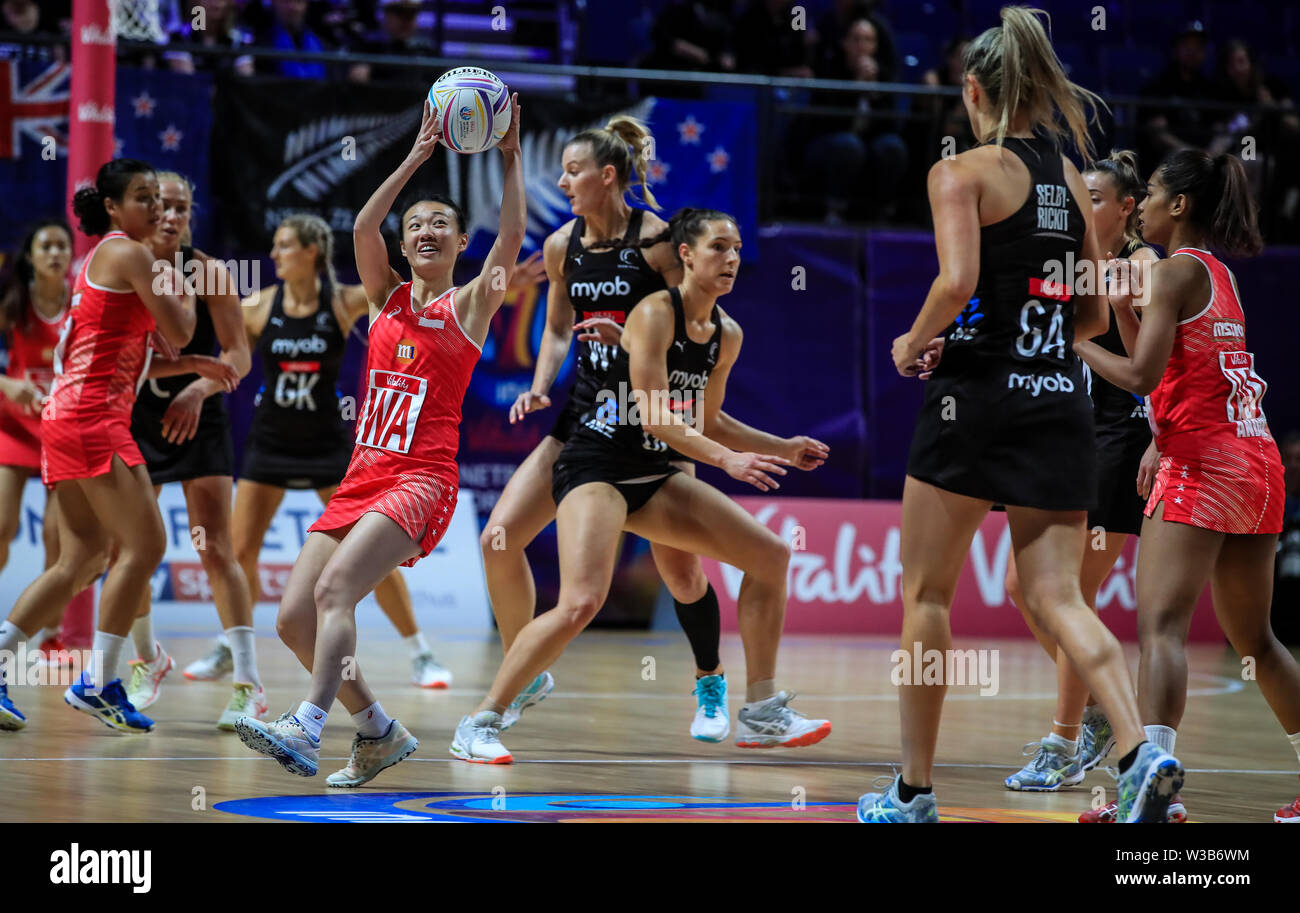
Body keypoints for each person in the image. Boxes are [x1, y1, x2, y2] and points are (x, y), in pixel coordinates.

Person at [858, 7, 1182, 824]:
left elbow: (957, 282)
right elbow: (1090, 320)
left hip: (972, 404)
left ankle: (913, 790)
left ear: (973, 90)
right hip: (1058, 403)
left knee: (927, 597)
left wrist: (914, 342)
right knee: (1060, 597)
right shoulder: (1076, 184)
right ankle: (1142, 754)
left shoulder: (960, 172)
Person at [482, 118, 828, 742]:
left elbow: (684, 319)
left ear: (607, 176)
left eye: (571, 170)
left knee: (682, 575)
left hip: (658, 425)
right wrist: (540, 382)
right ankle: (522, 671)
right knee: (499, 541)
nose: (561, 182)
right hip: (588, 421)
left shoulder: (663, 242)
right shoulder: (562, 246)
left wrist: (643, 346)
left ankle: (713, 685)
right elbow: (559, 326)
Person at [233, 92, 525, 786]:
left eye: (441, 225)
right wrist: (418, 154)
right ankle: (377, 731)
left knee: (337, 590)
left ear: (458, 243)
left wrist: (511, 155)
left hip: (421, 478)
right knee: (293, 618)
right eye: (416, 225)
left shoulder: (471, 304)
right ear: (404, 244)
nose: (426, 231)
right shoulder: (385, 297)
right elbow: (364, 224)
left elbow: (510, 242)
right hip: (363, 473)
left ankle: (306, 727)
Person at [1074, 148, 1300, 825]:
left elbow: (1141, 378)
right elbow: (1176, 368)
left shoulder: (1172, 271)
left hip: (1202, 464)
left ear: (1178, 206)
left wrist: (1079, 339)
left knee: (1161, 628)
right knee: (1256, 640)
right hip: (1257, 463)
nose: (1139, 203)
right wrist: (1121, 315)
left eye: (1149, 193)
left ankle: (1150, 791)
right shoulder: (1217, 274)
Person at [0, 159, 233, 733]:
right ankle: (100, 681)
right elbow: (179, 327)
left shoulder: (109, 257)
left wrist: (190, 364)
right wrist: (180, 273)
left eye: (161, 199)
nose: (157, 209)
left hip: (74, 413)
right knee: (147, 547)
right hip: (91, 418)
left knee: (79, 561)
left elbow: (124, 348)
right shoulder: (132, 253)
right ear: (112, 206)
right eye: (143, 198)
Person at [997, 151, 1170, 810]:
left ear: (1127, 208)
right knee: (1025, 585)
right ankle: (1101, 710)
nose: (1082, 207)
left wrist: (1160, 437)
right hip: (1066, 432)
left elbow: (1169, 361)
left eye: (1095, 198)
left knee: (1066, 590)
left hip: (1121, 438)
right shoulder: (1067, 261)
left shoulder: (1145, 267)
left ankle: (1066, 742)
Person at [219, 212, 451, 689]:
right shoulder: (260, 306)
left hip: (326, 443)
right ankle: (231, 643)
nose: (275, 255)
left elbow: (390, 303)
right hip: (271, 440)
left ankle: (419, 651)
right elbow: (228, 345)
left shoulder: (344, 302)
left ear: (311, 252)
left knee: (369, 557)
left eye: (285, 246)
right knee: (240, 549)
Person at [120, 171, 264, 729]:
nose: (172, 216)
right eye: (162, 206)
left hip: (199, 417)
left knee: (215, 550)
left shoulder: (206, 271)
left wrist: (202, 389)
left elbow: (238, 353)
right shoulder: (125, 265)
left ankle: (249, 685)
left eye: (182, 207)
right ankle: (145, 659)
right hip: (137, 418)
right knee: (129, 548)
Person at [0, 221, 74, 662]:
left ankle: (51, 634)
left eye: (62, 246)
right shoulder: (14, 302)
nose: (54, 253)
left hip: (62, 432)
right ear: (30, 255)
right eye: (45, 245)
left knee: (56, 538)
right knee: (2, 527)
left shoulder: (83, 302)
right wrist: (7, 386)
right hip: (15, 428)